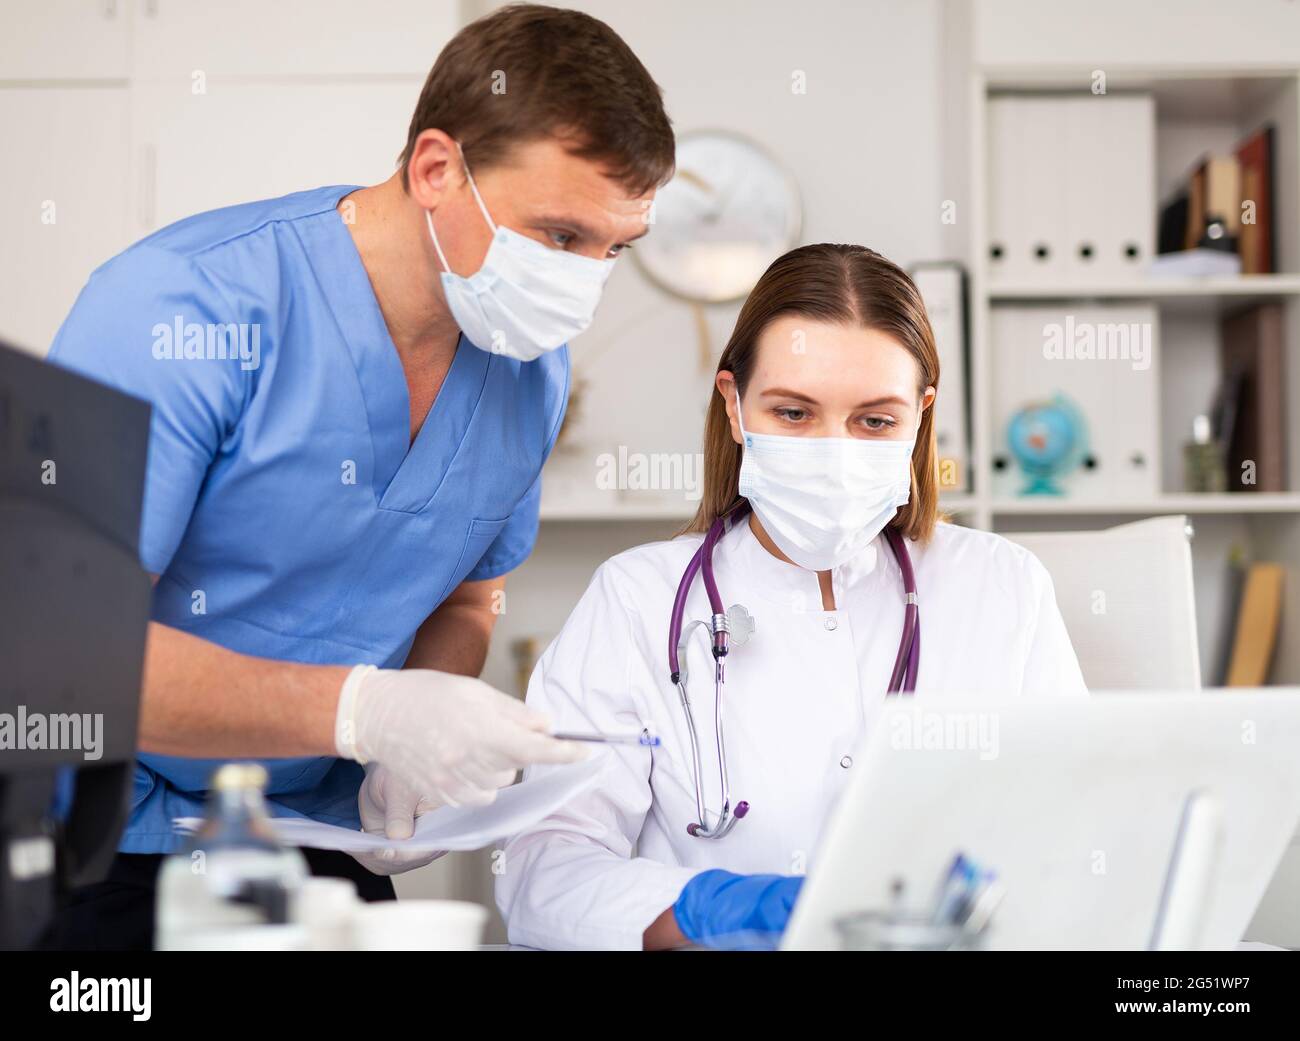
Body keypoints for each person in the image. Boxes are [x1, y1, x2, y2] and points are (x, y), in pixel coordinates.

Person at [43, 5, 675, 949]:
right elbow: (62, 652)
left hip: (316, 838)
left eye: (615, 249)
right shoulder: (184, 308)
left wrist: (411, 751)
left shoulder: (525, 374)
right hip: (107, 841)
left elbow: (469, 595)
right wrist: (366, 711)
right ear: (435, 169)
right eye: (560, 236)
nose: (585, 281)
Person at [494, 243, 1088, 950]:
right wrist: (698, 909)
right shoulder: (637, 598)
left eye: (875, 421)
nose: (834, 451)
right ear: (736, 406)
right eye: (794, 412)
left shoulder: (1002, 588)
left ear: (921, 416)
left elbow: (1072, 829)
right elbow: (541, 870)